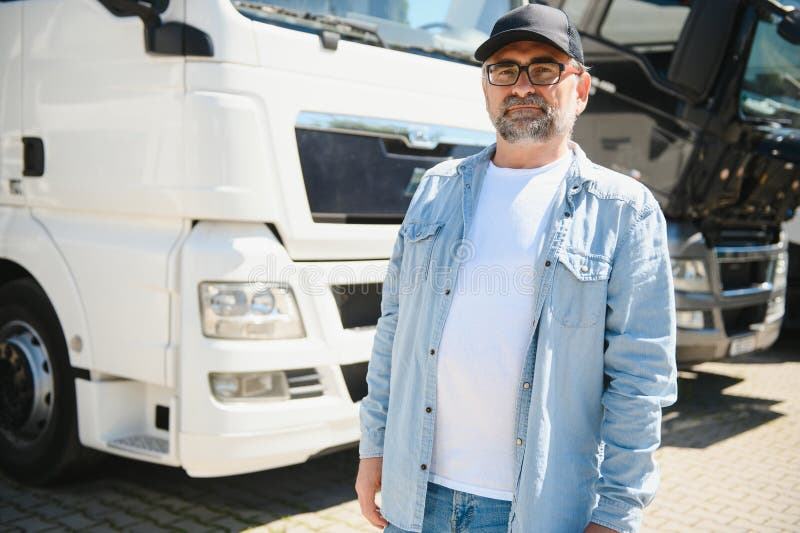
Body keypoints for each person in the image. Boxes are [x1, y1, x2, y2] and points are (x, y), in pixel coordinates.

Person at [355, 4, 678, 533]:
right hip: (417, 498)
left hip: (535, 512)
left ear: (581, 89)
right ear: (486, 88)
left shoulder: (625, 211)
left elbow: (640, 380)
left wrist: (617, 513)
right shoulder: (437, 189)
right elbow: (393, 330)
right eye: (504, 70)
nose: (522, 85)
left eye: (545, 69)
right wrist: (373, 451)